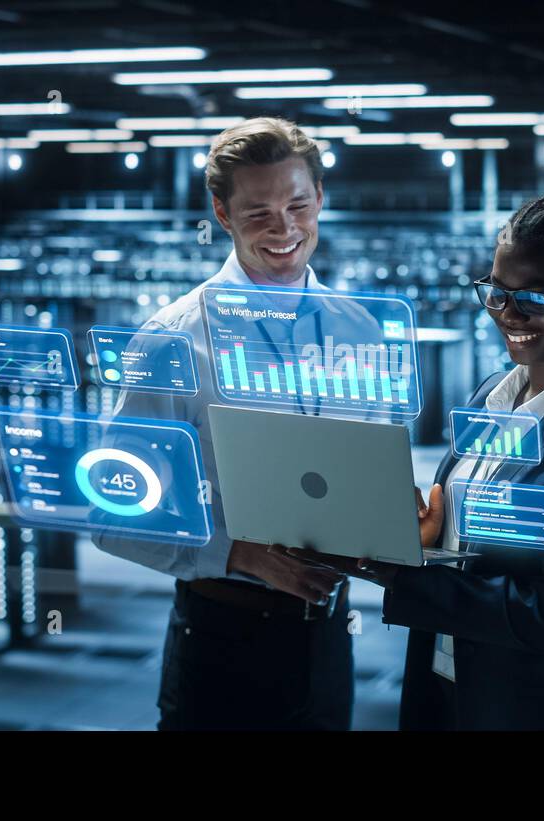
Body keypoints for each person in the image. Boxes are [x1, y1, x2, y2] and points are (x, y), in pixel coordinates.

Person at [293, 194, 544, 730]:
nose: (508, 315)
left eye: (533, 296)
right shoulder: (491, 395)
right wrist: (419, 539)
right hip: (451, 691)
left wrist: (399, 574)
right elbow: (479, 554)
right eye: (497, 293)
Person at [92, 117, 359, 730]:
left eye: (297, 204)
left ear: (321, 198)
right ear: (222, 213)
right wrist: (240, 554)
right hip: (222, 645)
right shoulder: (172, 341)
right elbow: (112, 514)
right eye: (259, 212)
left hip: (329, 639)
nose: (285, 229)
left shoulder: (358, 328)